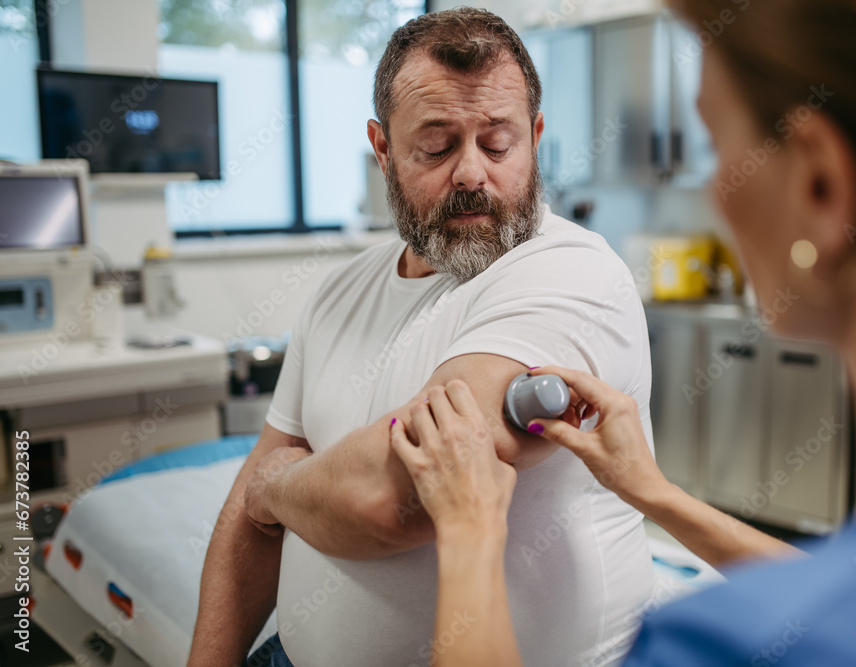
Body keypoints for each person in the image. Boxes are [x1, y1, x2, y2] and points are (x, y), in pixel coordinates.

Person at [389, 0, 856, 664]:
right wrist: (656, 495)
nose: (717, 190)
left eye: (717, 144)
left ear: (820, 185)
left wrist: (471, 530)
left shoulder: (721, 643)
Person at [188, 8, 660, 667]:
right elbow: (251, 511)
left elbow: (399, 496)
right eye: (436, 146)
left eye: (498, 144)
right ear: (382, 147)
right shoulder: (340, 291)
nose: (471, 173)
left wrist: (272, 488)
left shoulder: (572, 271)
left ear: (536, 136)